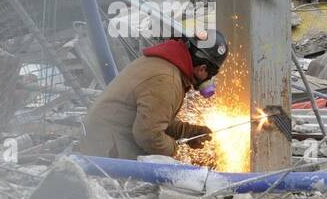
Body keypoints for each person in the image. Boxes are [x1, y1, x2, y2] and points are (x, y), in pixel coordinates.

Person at [77, 30, 229, 160]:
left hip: (103, 141)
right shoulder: (167, 80)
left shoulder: (161, 63)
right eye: (211, 75)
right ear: (202, 69)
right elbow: (148, 135)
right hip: (107, 154)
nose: (208, 80)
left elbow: (152, 117)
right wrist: (174, 149)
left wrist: (187, 131)